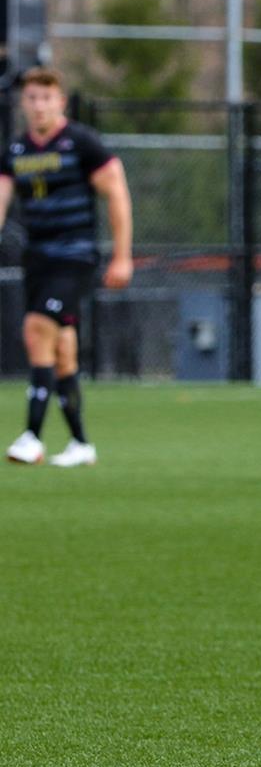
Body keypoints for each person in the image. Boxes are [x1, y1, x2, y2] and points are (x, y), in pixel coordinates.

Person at [0, 66, 133, 467]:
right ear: (24, 103)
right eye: (32, 98)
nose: (38, 105)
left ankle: (31, 437)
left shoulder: (81, 142)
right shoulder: (18, 150)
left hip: (75, 257)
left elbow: (117, 193)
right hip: (38, 259)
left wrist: (122, 255)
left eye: (46, 97)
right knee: (62, 350)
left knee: (37, 328)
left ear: (61, 101)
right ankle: (80, 444)